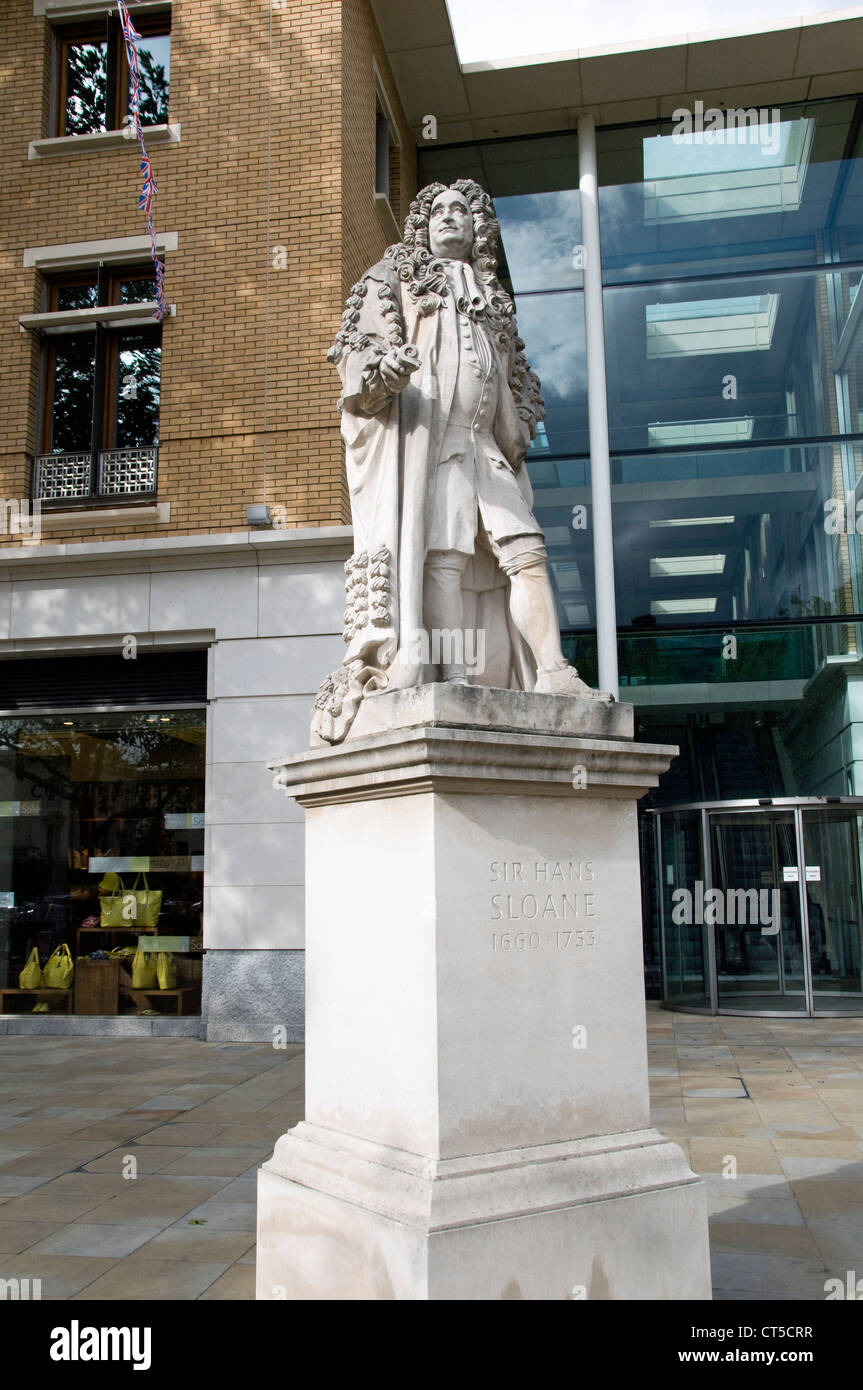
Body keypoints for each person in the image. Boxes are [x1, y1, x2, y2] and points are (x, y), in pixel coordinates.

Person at [312, 178, 608, 745]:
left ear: (478, 231)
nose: (449, 218)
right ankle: (455, 674)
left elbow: (517, 384)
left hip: (485, 448)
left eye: (461, 212)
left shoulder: (494, 302)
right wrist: (383, 374)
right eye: (438, 211)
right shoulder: (393, 278)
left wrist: (517, 420)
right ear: (423, 228)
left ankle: (554, 672)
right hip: (434, 444)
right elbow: (358, 354)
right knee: (441, 558)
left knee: (526, 554)